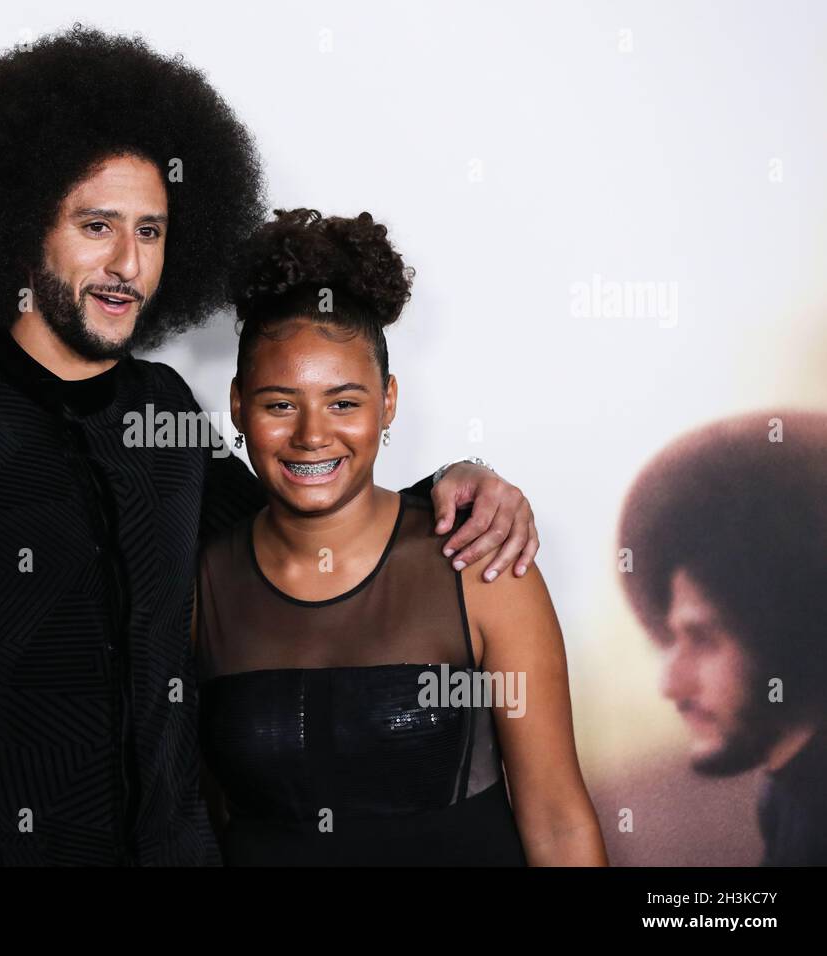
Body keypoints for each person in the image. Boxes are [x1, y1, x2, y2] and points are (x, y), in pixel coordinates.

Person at [0, 26, 541, 866]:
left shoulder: (162, 411)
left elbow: (295, 522)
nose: (127, 264)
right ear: (22, 231)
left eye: (150, 231)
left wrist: (455, 486)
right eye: (96, 225)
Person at [194, 208, 606, 865]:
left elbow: (556, 819)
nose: (311, 436)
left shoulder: (478, 564)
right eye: (279, 404)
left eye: (343, 402)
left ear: (387, 402)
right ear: (238, 405)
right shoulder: (200, 583)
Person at [618, 410, 827, 865]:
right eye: (674, 638)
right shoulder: (786, 791)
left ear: (789, 630)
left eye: (704, 638)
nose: (671, 685)